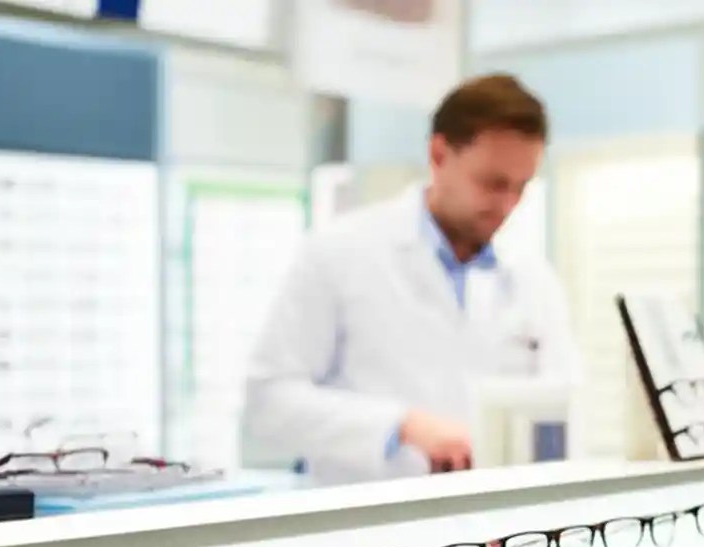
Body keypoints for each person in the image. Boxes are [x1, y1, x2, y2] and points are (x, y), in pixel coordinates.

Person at [241, 74, 580, 483]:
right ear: (438, 155)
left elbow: (565, 409)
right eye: (493, 184)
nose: (507, 205)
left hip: (494, 532)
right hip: (368, 527)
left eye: (521, 187)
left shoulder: (532, 278)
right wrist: (400, 426)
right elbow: (269, 402)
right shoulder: (338, 252)